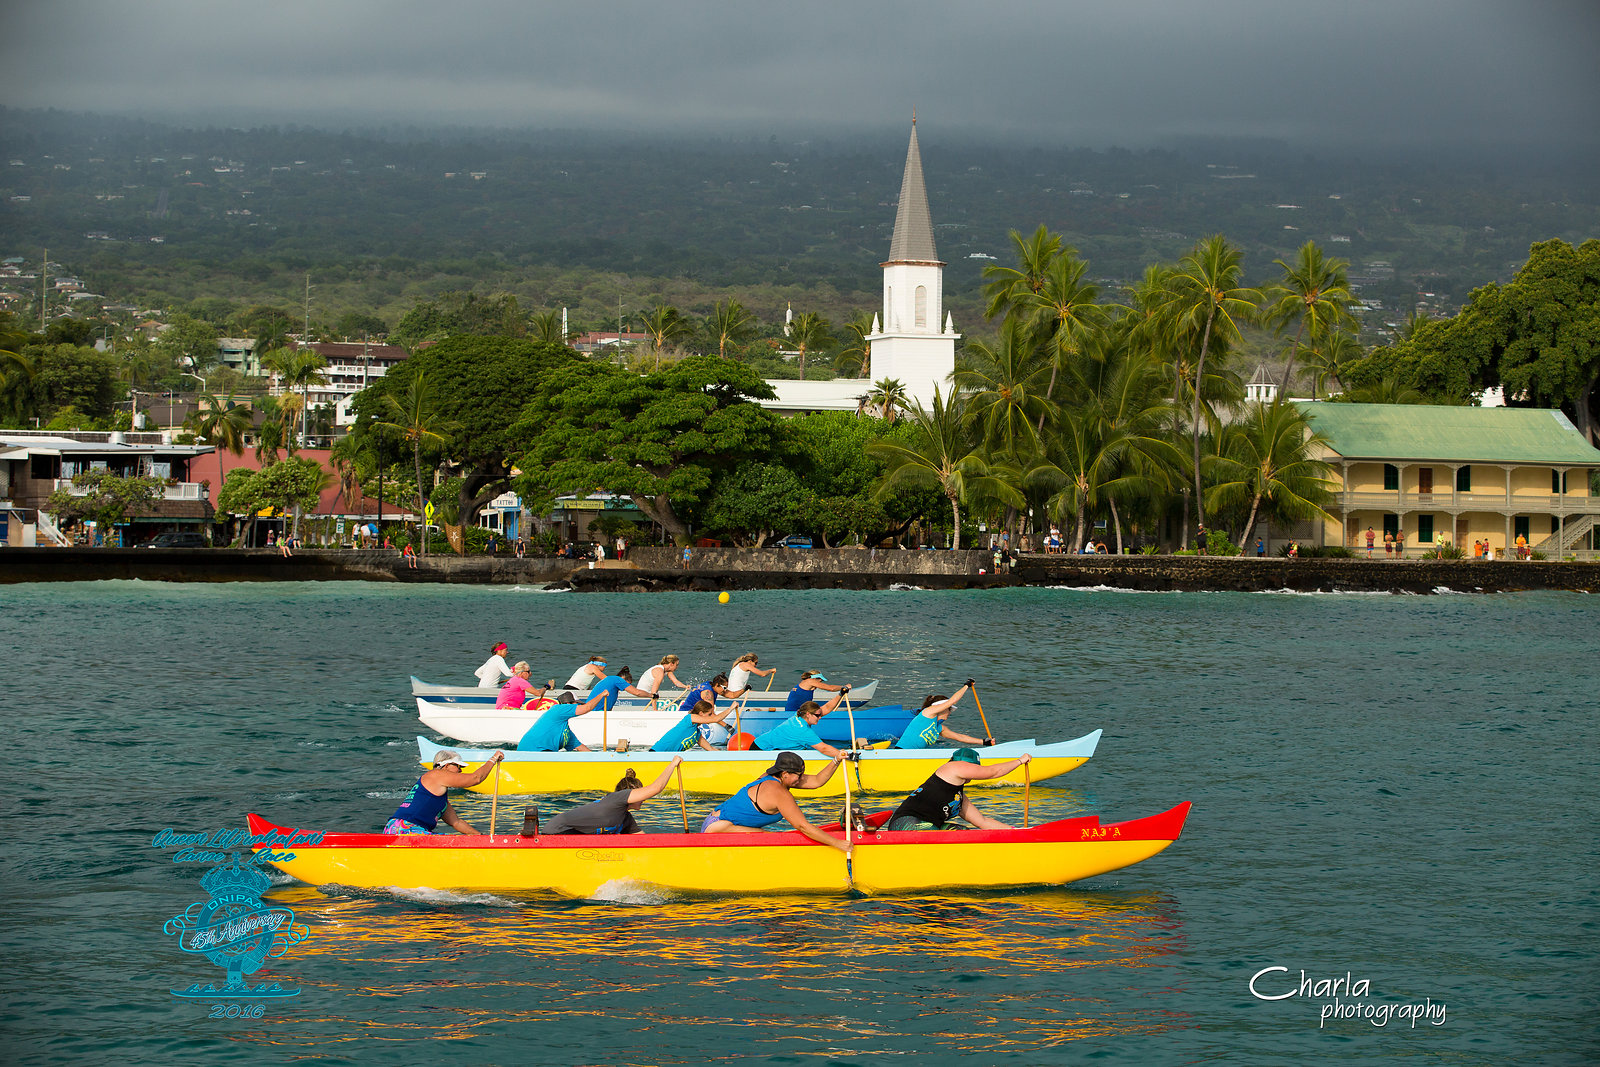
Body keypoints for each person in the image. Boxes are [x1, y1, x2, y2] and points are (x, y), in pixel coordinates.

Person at [700, 751, 851, 854]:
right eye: (798, 775)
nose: (800, 778)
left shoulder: (775, 777)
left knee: (771, 836)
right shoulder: (778, 792)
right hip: (717, 829)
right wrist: (837, 843)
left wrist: (836, 759)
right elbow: (803, 826)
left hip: (716, 821)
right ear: (785, 774)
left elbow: (817, 781)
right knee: (770, 837)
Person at [888, 749, 1032, 831]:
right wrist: (1020, 761)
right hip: (905, 824)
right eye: (975, 767)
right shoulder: (952, 767)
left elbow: (983, 822)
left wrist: (1016, 831)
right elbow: (993, 772)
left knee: (964, 833)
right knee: (941, 838)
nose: (975, 772)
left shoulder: (958, 797)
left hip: (930, 826)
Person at [544, 758, 686, 835]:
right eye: (641, 794)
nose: (644, 798)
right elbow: (656, 788)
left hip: (575, 841)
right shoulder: (617, 798)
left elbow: (644, 841)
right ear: (632, 793)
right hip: (555, 834)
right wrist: (672, 764)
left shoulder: (626, 819)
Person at [384, 749, 506, 835]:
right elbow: (475, 778)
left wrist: (480, 837)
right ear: (446, 766)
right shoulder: (436, 775)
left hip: (405, 829)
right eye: (458, 766)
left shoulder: (441, 800)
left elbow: (456, 822)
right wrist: (493, 759)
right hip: (402, 829)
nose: (460, 771)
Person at [894, 681, 994, 749]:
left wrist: (984, 742)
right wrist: (966, 686)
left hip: (914, 756)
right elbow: (952, 701)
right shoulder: (928, 713)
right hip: (900, 754)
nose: (950, 712)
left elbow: (960, 737)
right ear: (941, 707)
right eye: (949, 709)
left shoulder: (939, 728)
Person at [515, 688, 618, 752]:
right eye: (576, 704)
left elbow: (581, 748)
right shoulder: (557, 709)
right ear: (568, 704)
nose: (577, 706)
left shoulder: (565, 732)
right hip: (530, 753)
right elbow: (587, 708)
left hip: (544, 754)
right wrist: (601, 694)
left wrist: (599, 759)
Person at [753, 693, 849, 758]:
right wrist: (846, 755)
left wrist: (840, 694)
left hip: (759, 742)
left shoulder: (799, 714)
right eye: (817, 716)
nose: (820, 717)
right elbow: (824, 748)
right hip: (760, 751)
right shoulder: (803, 731)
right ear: (808, 714)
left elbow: (826, 707)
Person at [652, 699, 735, 752]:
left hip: (667, 758)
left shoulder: (697, 734)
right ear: (701, 713)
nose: (711, 716)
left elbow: (711, 749)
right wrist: (731, 708)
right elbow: (716, 719)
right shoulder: (690, 718)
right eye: (709, 714)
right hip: (655, 754)